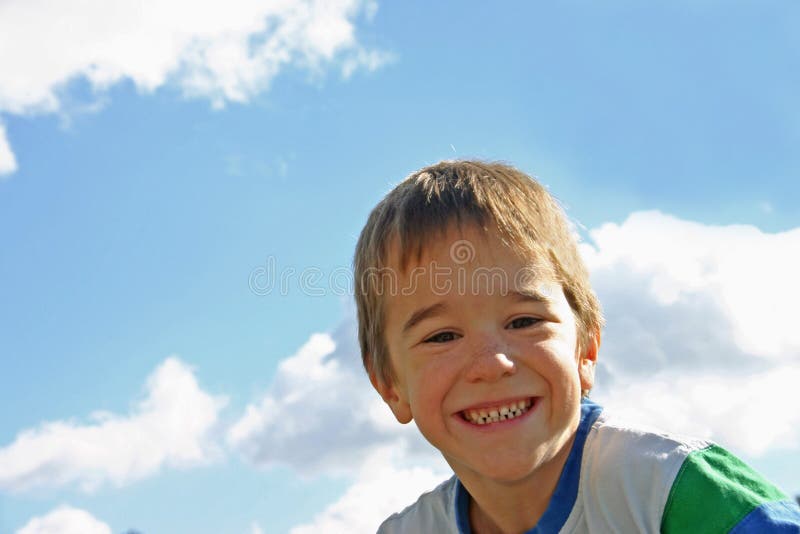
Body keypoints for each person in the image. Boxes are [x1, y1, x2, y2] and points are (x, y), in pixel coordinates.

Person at [352, 160, 800, 533]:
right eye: (442, 337)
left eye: (524, 321)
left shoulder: (675, 491)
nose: (491, 364)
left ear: (585, 349)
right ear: (389, 384)